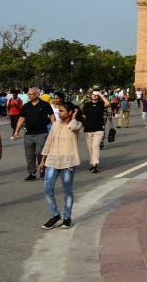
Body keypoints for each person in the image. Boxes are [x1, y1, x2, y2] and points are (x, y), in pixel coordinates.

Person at [38, 101, 83, 229]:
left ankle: (67, 217)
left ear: (70, 112)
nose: (59, 113)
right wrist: (42, 160)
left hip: (68, 162)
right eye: (58, 110)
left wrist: (74, 117)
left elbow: (74, 127)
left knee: (67, 190)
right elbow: (48, 142)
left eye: (62, 111)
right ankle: (55, 215)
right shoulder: (55, 124)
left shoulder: (76, 124)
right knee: (47, 188)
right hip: (52, 161)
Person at [11, 87, 55, 181]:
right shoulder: (26, 106)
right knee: (29, 155)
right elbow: (21, 119)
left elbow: (52, 117)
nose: (30, 96)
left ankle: (42, 171)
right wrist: (16, 132)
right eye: (29, 94)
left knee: (40, 153)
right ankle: (32, 173)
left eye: (32, 94)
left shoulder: (45, 105)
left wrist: (55, 129)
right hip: (28, 135)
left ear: (37, 94)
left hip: (41, 134)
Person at [81, 89, 110, 173]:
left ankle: (95, 165)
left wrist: (101, 95)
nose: (95, 96)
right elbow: (84, 116)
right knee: (90, 148)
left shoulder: (100, 104)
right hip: (88, 129)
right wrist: (81, 125)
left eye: (96, 95)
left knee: (95, 146)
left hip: (99, 129)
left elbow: (107, 104)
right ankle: (93, 163)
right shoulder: (87, 104)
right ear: (91, 95)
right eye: (93, 94)